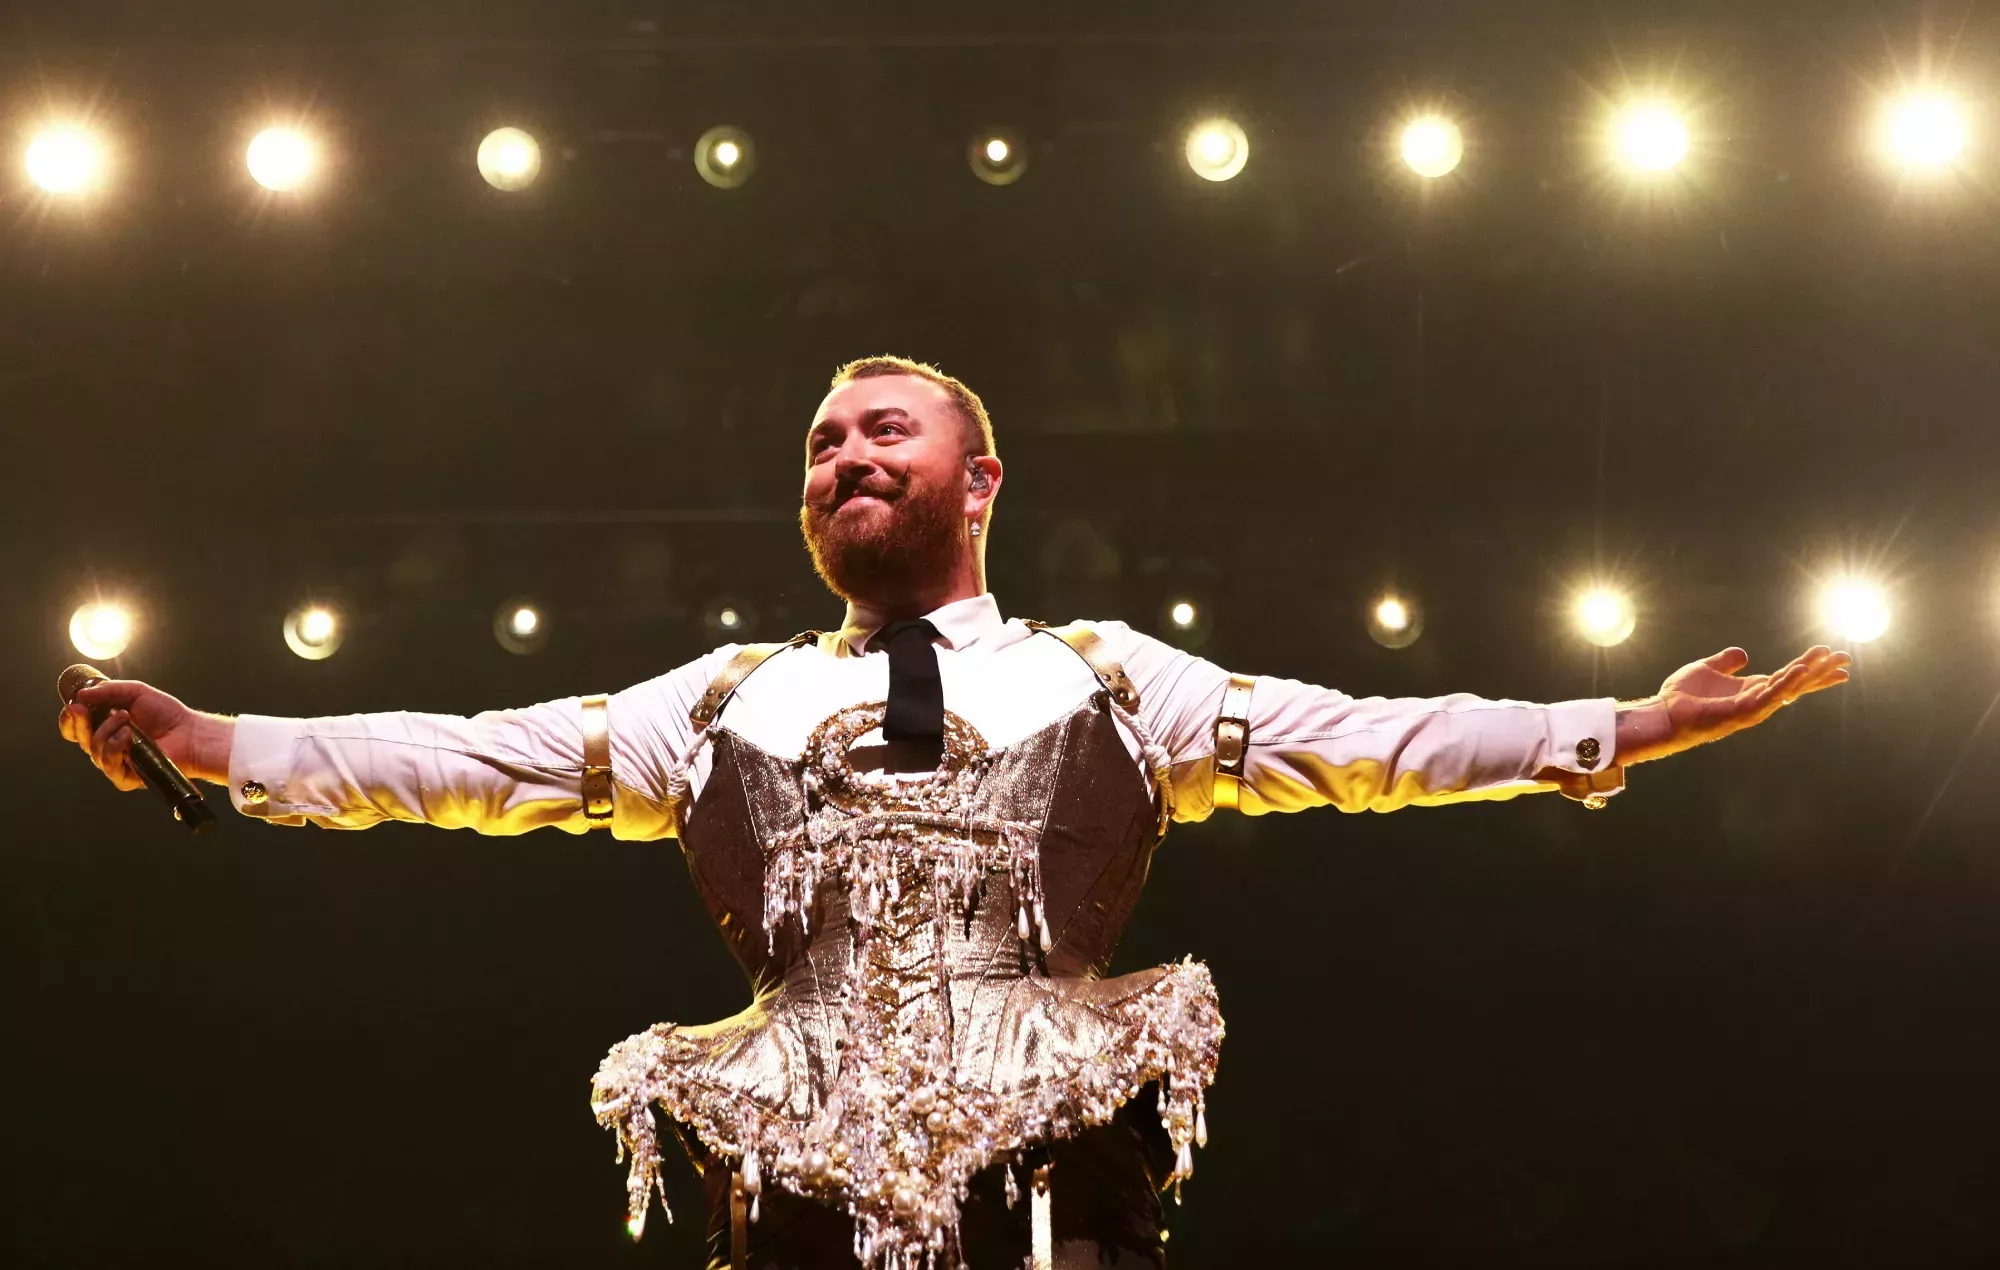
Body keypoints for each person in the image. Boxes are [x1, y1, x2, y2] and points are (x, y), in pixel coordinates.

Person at [58, 355, 1851, 1269]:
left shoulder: (1105, 676)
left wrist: (1614, 723)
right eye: (825, 442)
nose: (847, 458)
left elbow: (1374, 732)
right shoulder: (722, 700)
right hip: (799, 1165)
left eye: (885, 432)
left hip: (1047, 1154)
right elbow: (460, 758)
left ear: (978, 479)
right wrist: (217, 737)